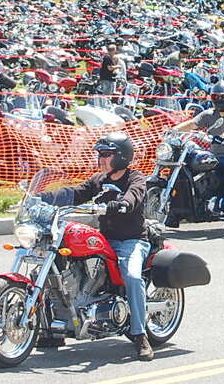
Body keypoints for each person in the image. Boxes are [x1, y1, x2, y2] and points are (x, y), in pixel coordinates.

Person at [41, 132, 154, 361]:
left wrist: (121, 204)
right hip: (105, 240)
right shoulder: (99, 181)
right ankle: (52, 328)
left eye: (106, 155)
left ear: (121, 157)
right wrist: (43, 198)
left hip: (132, 241)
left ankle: (140, 334)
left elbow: (134, 197)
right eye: (100, 154)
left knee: (132, 276)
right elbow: (75, 193)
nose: (101, 159)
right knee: (57, 265)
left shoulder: (136, 178)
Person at [173, 81, 224, 235]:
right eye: (216, 96)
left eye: (223, 96)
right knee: (187, 170)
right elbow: (193, 123)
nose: (219, 99)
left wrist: (223, 137)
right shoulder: (209, 114)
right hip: (215, 156)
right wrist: (172, 130)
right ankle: (176, 213)